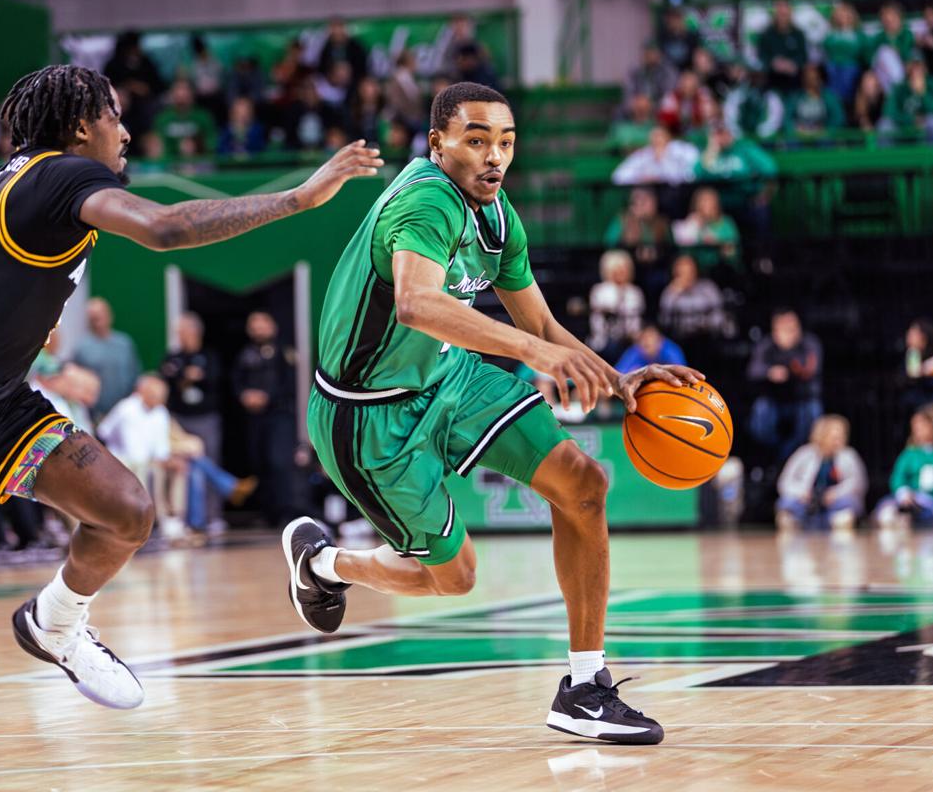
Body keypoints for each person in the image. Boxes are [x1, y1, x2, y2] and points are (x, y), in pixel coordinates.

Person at [0, 62, 381, 777]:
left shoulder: (5, 180)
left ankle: (56, 623)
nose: (127, 132)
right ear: (81, 127)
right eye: (115, 117)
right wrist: (299, 197)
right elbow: (164, 231)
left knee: (127, 511)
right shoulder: (63, 177)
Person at [285, 81, 704, 745]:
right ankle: (324, 564)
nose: (493, 156)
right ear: (437, 144)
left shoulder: (499, 215)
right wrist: (536, 354)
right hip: (368, 419)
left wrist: (620, 381)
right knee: (453, 578)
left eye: (505, 142)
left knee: (584, 485)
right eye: (476, 139)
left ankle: (586, 687)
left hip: (446, 378)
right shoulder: (424, 199)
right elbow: (417, 304)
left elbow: (536, 318)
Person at [159, 312, 226, 529]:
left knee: (209, 461)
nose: (180, 336)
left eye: (184, 331)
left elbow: (218, 379)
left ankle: (213, 516)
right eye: (178, 332)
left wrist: (199, 376)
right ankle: (187, 519)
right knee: (185, 470)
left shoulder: (209, 356)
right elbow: (165, 378)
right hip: (180, 419)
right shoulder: (173, 357)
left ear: (196, 332)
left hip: (206, 418)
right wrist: (184, 376)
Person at [233, 311, 297, 526]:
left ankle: (286, 514)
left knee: (279, 463)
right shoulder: (245, 353)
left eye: (262, 324)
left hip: (279, 416)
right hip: (254, 419)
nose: (258, 329)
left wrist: (267, 397)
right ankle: (268, 514)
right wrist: (244, 395)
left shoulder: (284, 352)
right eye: (254, 325)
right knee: (259, 464)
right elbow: (236, 381)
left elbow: (289, 383)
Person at [747, 309, 823, 465]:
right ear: (775, 331)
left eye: (793, 327)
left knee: (812, 415)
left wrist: (792, 365)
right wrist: (770, 372)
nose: (790, 332)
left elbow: (811, 369)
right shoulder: (766, 345)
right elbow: (753, 370)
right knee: (760, 417)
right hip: (774, 399)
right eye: (784, 328)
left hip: (803, 398)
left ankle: (787, 458)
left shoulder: (809, 343)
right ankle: (776, 456)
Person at [776, 414, 867, 533]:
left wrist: (836, 494)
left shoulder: (848, 456)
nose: (839, 440)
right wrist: (801, 493)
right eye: (834, 437)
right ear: (822, 435)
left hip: (835, 503)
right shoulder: (804, 454)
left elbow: (858, 483)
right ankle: (793, 524)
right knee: (786, 503)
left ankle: (838, 523)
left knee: (850, 503)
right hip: (806, 502)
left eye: (841, 436)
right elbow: (784, 482)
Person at [97, 374, 171, 492]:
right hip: (120, 460)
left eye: (160, 396)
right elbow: (104, 432)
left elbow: (161, 449)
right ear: (143, 391)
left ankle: (165, 509)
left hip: (147, 463)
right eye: (154, 395)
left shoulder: (161, 413)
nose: (157, 398)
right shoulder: (126, 407)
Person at [73, 298, 141, 420]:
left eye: (100, 316)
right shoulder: (82, 348)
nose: (97, 321)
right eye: (93, 318)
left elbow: (135, 374)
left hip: (124, 414)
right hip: (95, 416)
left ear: (109, 316)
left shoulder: (124, 343)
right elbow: (76, 383)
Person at [587, 249, 645, 358]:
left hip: (631, 340)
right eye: (617, 268)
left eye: (624, 268)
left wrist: (634, 335)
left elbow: (637, 320)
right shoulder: (599, 291)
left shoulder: (635, 292)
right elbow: (597, 322)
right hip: (605, 340)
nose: (621, 272)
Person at [658, 254, 729, 341]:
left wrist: (707, 325)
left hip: (707, 336)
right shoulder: (670, 291)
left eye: (688, 269)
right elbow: (664, 319)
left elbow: (719, 313)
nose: (685, 273)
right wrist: (674, 293)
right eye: (681, 270)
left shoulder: (708, 287)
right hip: (680, 337)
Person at [671, 187, 740, 274]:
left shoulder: (726, 223)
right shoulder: (693, 222)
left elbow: (733, 253)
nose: (707, 206)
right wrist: (691, 227)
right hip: (696, 271)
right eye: (703, 202)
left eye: (710, 202)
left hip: (722, 269)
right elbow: (684, 251)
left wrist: (716, 242)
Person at [879, 55, 933, 143]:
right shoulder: (900, 86)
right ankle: (887, 156)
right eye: (913, 66)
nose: (916, 70)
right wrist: (910, 120)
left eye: (919, 66)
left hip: (923, 124)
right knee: (885, 125)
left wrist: (922, 93)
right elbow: (889, 111)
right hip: (902, 126)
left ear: (925, 67)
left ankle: (930, 156)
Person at [610, 126, 697, 186]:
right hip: (650, 194)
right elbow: (618, 176)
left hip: (678, 192)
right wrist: (640, 178)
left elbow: (692, 174)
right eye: (654, 137)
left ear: (668, 137)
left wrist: (663, 176)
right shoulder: (643, 154)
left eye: (660, 136)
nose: (657, 140)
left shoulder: (680, 150)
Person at [154, 79, 218, 158]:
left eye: (185, 90)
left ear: (192, 93)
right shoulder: (163, 118)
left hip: (198, 163)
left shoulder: (203, 117)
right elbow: (157, 145)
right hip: (171, 164)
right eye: (177, 90)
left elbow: (211, 144)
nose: (181, 94)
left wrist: (196, 145)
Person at [901, 317, 933, 411]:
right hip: (917, 404)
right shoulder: (913, 353)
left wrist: (922, 370)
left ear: (924, 336)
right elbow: (911, 375)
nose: (908, 336)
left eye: (913, 333)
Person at [784, 64, 845, 142]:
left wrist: (826, 130)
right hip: (799, 134)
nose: (811, 81)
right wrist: (795, 130)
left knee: (826, 143)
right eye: (808, 78)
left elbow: (838, 117)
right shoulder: (795, 97)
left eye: (814, 78)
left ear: (820, 79)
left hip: (822, 134)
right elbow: (786, 118)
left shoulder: (829, 97)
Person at [757, 0, 807, 94]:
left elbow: (803, 56)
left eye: (785, 14)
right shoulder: (767, 34)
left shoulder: (798, 34)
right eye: (780, 14)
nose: (782, 18)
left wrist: (792, 64)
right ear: (775, 15)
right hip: (772, 78)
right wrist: (773, 63)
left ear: (790, 14)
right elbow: (761, 55)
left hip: (794, 80)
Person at [823, 2, 865, 105]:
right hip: (833, 67)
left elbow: (856, 50)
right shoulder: (831, 33)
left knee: (847, 72)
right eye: (840, 15)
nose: (843, 18)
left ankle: (844, 103)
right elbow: (827, 46)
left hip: (851, 67)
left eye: (846, 15)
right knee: (831, 69)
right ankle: (834, 104)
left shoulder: (858, 34)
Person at [869, 1, 916, 92]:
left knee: (886, 52)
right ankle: (896, 91)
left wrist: (897, 52)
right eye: (885, 18)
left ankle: (895, 91)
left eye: (892, 17)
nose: (889, 21)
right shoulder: (879, 38)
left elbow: (908, 54)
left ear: (899, 18)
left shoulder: (907, 35)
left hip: (903, 68)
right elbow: (871, 59)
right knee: (884, 52)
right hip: (881, 72)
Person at [657, 70, 715, 136]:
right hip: (675, 134)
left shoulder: (702, 95)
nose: (688, 90)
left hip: (699, 133)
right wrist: (677, 115)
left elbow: (709, 115)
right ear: (680, 85)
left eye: (691, 87)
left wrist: (695, 114)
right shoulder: (671, 97)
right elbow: (663, 119)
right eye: (685, 87)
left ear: (696, 86)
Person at [615, 324, 685, 374]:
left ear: (660, 340)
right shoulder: (635, 351)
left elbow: (681, 372)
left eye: (650, 337)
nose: (647, 341)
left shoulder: (671, 351)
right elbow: (619, 375)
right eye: (644, 338)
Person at [626, 41, 677, 106]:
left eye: (653, 52)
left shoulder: (667, 71)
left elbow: (669, 92)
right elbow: (629, 93)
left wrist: (654, 103)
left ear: (659, 54)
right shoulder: (634, 71)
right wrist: (638, 101)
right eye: (648, 52)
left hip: (659, 106)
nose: (650, 56)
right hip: (639, 106)